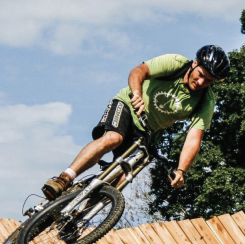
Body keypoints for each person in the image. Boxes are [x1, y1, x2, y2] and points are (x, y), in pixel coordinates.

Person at [41, 45, 230, 200]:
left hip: (148, 132)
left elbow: (194, 138)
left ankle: (77, 213)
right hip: (129, 106)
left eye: (208, 80)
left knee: (124, 176)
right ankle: (64, 179)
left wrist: (181, 170)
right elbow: (138, 71)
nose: (201, 81)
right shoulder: (175, 63)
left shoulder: (206, 100)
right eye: (201, 74)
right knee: (113, 138)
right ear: (195, 64)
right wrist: (137, 94)